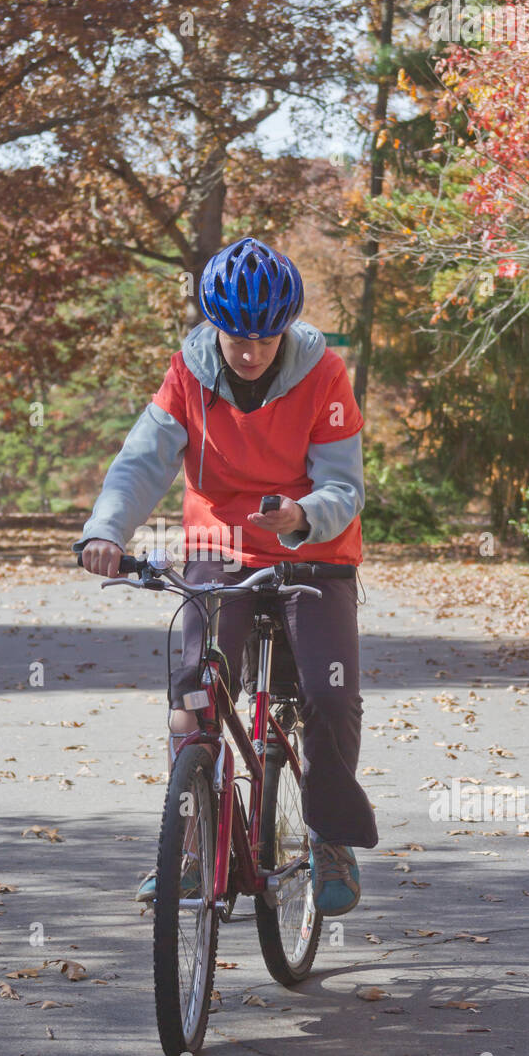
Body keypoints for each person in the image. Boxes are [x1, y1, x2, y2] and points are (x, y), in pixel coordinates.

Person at [74, 236, 378, 914]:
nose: (249, 350)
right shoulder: (189, 374)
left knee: (329, 696)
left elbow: (345, 487)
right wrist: (105, 531)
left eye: (264, 338)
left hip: (312, 550)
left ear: (284, 329)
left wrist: (300, 513)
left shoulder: (324, 374)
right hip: (221, 544)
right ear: (214, 325)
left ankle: (330, 835)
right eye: (236, 336)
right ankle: (191, 847)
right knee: (195, 695)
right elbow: (141, 462)